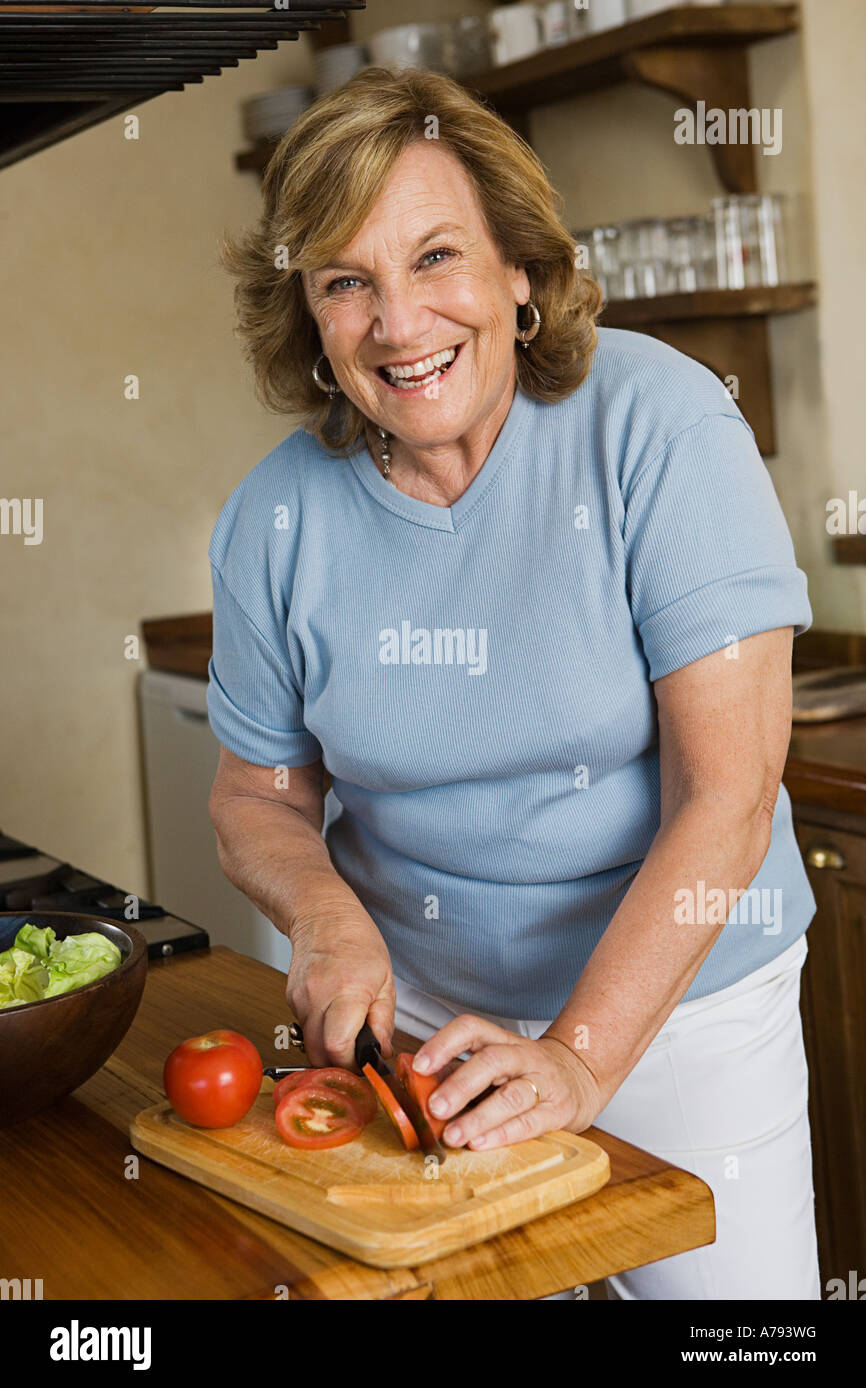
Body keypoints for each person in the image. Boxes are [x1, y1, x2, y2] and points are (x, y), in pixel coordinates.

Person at [206, 67, 820, 1299]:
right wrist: (326, 918)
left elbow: (727, 793)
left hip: (686, 1020)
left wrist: (583, 1059)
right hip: (429, 1033)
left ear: (519, 274)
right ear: (311, 320)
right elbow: (258, 794)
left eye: (435, 258)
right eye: (345, 281)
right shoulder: (277, 515)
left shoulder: (662, 428)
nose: (398, 323)